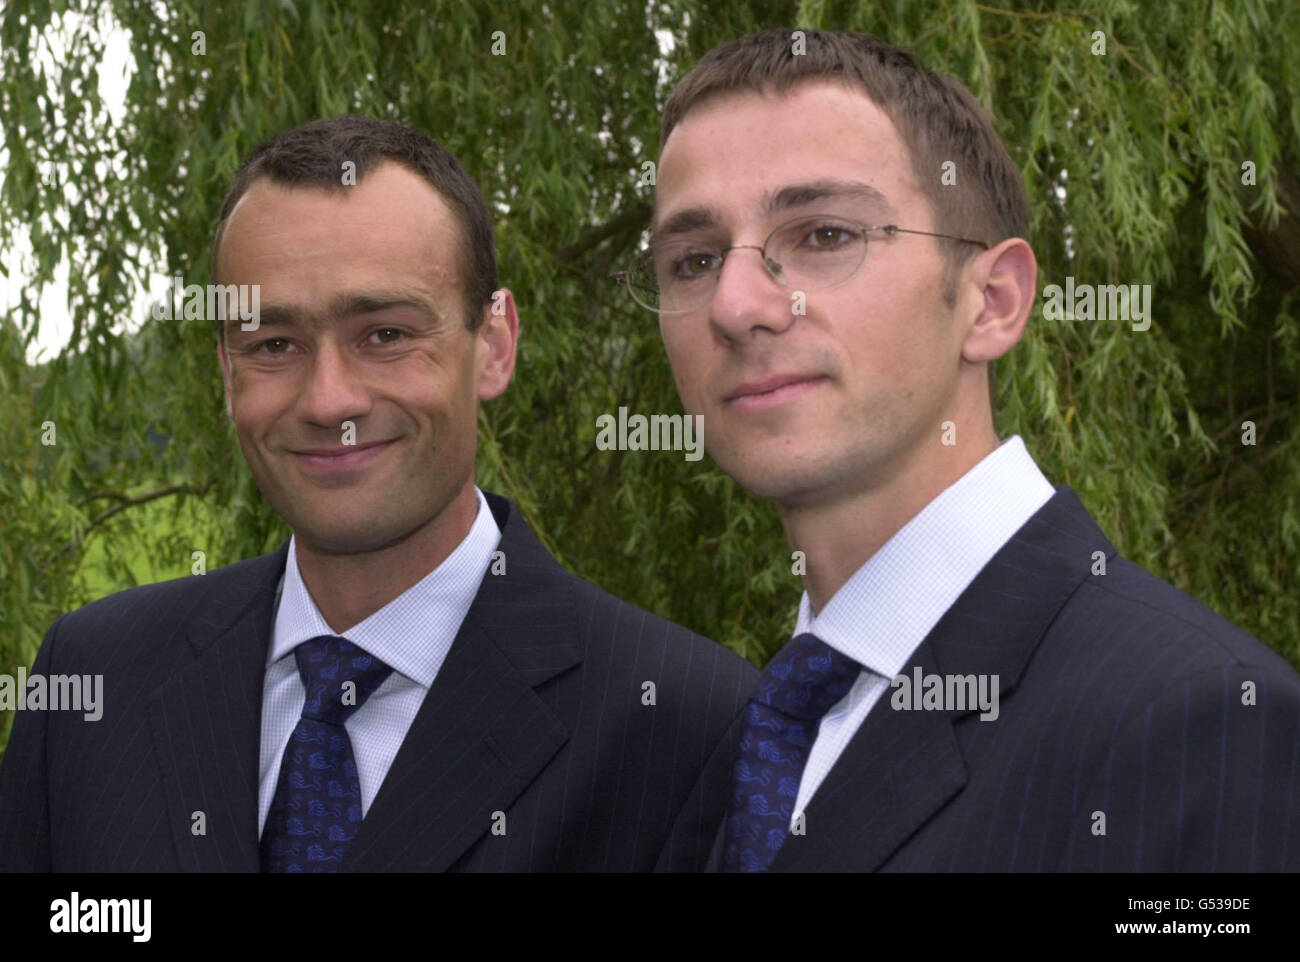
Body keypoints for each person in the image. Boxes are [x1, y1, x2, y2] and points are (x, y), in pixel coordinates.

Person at [0, 115, 756, 872]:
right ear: (228, 375)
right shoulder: (92, 680)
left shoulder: (688, 726)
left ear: (494, 345)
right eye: (273, 346)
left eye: (386, 335)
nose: (330, 401)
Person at [636, 29, 1300, 872]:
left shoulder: (1200, 727)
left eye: (825, 235)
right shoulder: (742, 742)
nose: (735, 304)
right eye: (692, 260)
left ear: (992, 301)